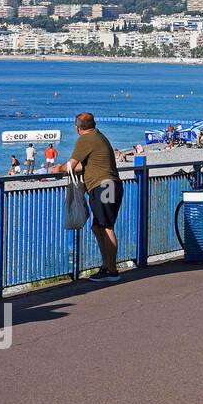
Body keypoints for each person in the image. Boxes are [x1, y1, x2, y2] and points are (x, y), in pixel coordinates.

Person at [51, 112, 123, 281]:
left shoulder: (85, 139)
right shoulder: (98, 136)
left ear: (77, 128)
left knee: (106, 226)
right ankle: (106, 266)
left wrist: (56, 169)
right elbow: (85, 165)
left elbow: (71, 165)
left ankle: (112, 271)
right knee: (97, 227)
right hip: (107, 185)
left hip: (105, 186)